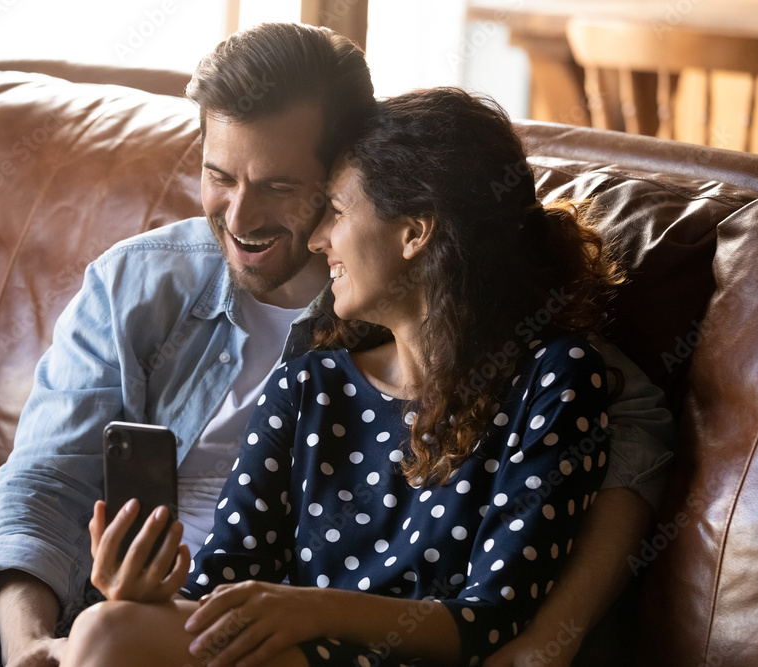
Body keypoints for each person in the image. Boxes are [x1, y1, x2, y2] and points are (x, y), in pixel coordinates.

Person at [0, 23, 673, 667]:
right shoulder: (142, 284)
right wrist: (31, 642)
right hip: (61, 592)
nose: (241, 217)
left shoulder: (405, 308)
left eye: (283, 187)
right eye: (220, 174)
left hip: (243, 629)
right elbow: (41, 482)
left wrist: (546, 640)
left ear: (348, 176)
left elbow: (630, 418)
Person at [58, 86, 623, 667]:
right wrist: (144, 594)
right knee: (108, 626)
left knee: (109, 636)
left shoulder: (554, 379)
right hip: (299, 650)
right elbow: (220, 585)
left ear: (414, 232)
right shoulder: (309, 386)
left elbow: (495, 617)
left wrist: (313, 609)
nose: (318, 237)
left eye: (337, 211)